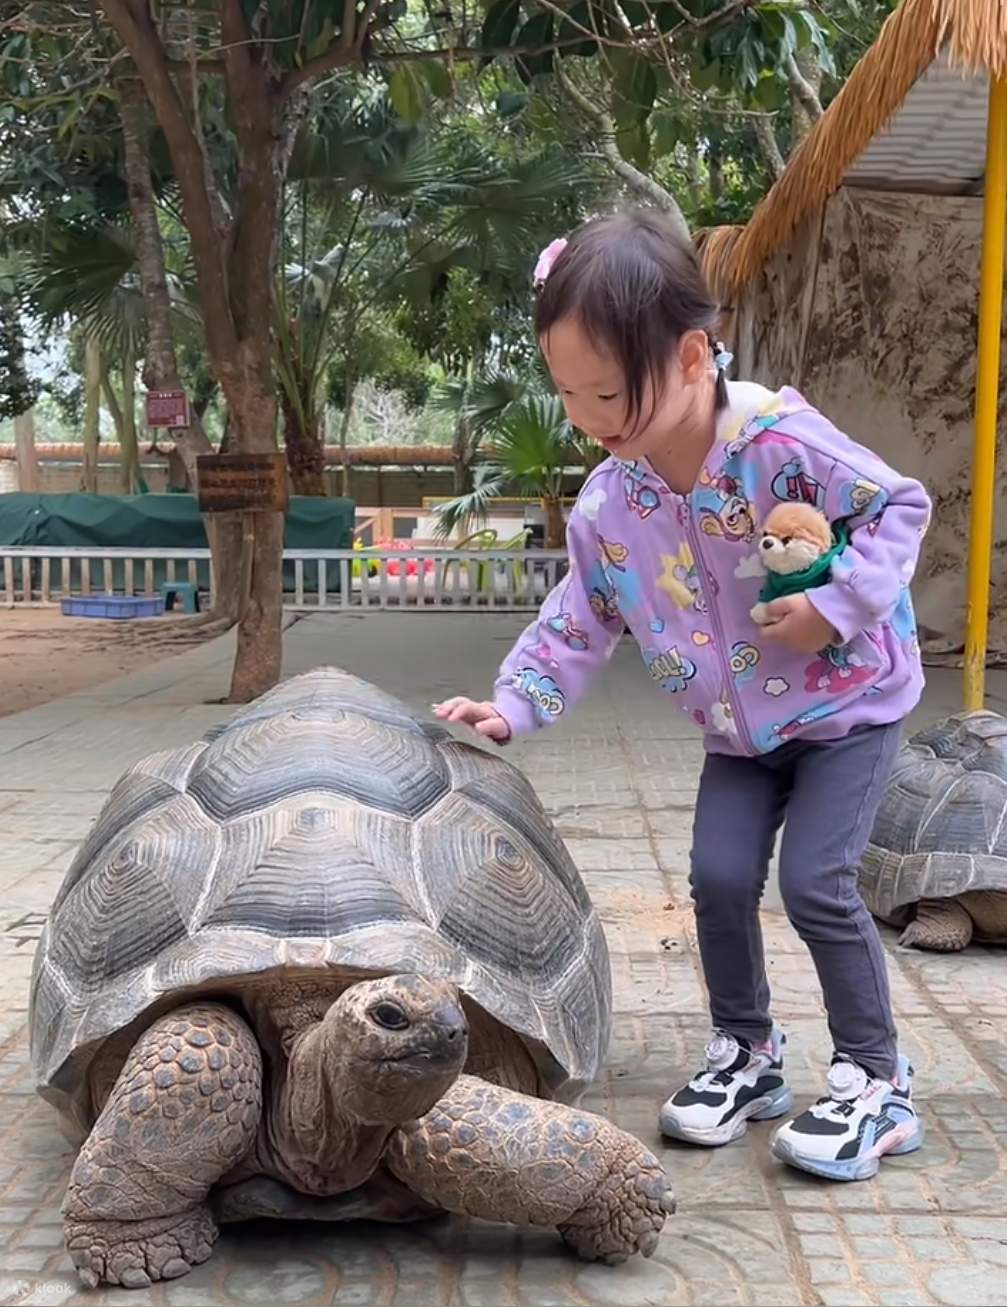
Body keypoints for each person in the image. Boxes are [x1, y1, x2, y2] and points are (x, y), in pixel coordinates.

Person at [433, 210, 931, 1183]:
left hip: (848, 709)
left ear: (692, 354)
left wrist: (836, 604)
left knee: (816, 884)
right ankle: (747, 1053)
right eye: (567, 392)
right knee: (713, 879)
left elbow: (895, 505)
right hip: (739, 734)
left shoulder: (776, 440)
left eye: (608, 390)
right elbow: (581, 614)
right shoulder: (611, 501)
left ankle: (876, 1081)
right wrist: (512, 704)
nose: (588, 416)